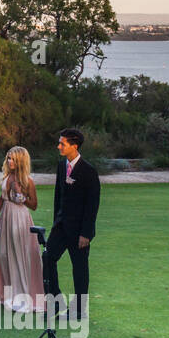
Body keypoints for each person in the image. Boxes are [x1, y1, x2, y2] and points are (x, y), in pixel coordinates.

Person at [44, 128, 101, 322]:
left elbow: (92, 205)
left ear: (74, 146)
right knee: (47, 257)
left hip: (79, 232)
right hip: (60, 227)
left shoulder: (89, 171)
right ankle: (56, 301)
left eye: (62, 143)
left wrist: (86, 233)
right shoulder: (62, 166)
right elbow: (58, 197)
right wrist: (55, 222)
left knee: (79, 268)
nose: (58, 146)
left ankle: (79, 311)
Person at [0, 146, 44, 312]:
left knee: (18, 255)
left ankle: (22, 297)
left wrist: (20, 197)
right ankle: (7, 294)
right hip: (5, 217)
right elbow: (2, 198)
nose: (9, 161)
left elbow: (34, 205)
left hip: (19, 218)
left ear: (21, 161)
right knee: (3, 254)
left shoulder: (27, 181)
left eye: (13, 159)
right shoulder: (7, 177)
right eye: (8, 158)